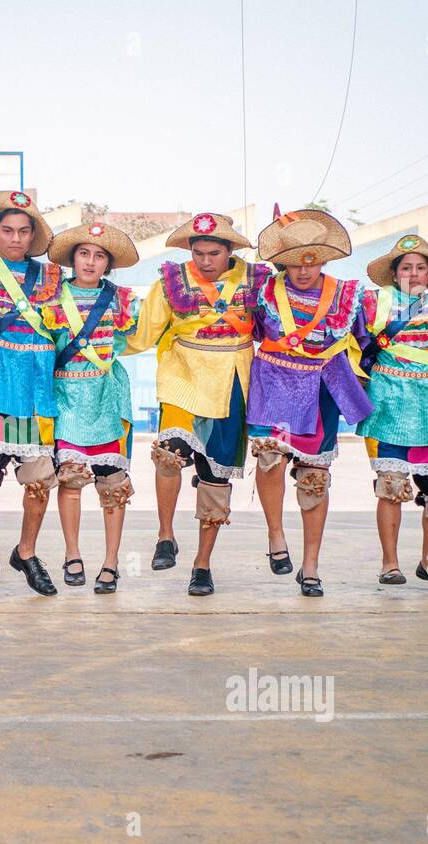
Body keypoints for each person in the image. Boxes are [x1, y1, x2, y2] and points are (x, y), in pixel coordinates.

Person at [124, 212, 273, 596]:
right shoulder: (170, 282)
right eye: (199, 253)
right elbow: (143, 335)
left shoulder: (257, 282)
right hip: (183, 375)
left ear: (230, 251)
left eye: (213, 253)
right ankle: (165, 534)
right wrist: (93, 345)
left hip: (234, 380)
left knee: (215, 475)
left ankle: (202, 564)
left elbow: (280, 323)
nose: (205, 261)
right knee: (169, 455)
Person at [247, 207, 372, 597]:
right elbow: (246, 330)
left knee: (314, 478)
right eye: (294, 262)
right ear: (281, 260)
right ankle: (275, 534)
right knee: (269, 459)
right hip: (272, 383)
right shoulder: (264, 290)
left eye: (312, 261)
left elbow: (366, 345)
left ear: (325, 258)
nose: (303, 270)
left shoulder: (349, 295)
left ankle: (311, 566)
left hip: (320, 391)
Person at [0, 190, 66, 596]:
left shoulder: (54, 276)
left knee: (39, 479)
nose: (16, 238)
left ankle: (26, 551)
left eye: (24, 231)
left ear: (33, 235)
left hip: (38, 389)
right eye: (8, 230)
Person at [357, 235, 428, 592]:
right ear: (394, 273)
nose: (414, 274)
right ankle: (390, 564)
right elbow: (350, 339)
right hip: (389, 401)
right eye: (406, 268)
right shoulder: (375, 302)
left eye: (421, 267)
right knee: (390, 487)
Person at [46, 222, 139, 594]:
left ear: (108, 264)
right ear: (73, 258)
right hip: (66, 395)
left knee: (113, 485)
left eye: (99, 256)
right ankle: (72, 554)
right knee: (70, 481)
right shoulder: (51, 297)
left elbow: (127, 340)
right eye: (84, 254)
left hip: (106, 394)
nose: (90, 261)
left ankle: (111, 562)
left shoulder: (121, 299)